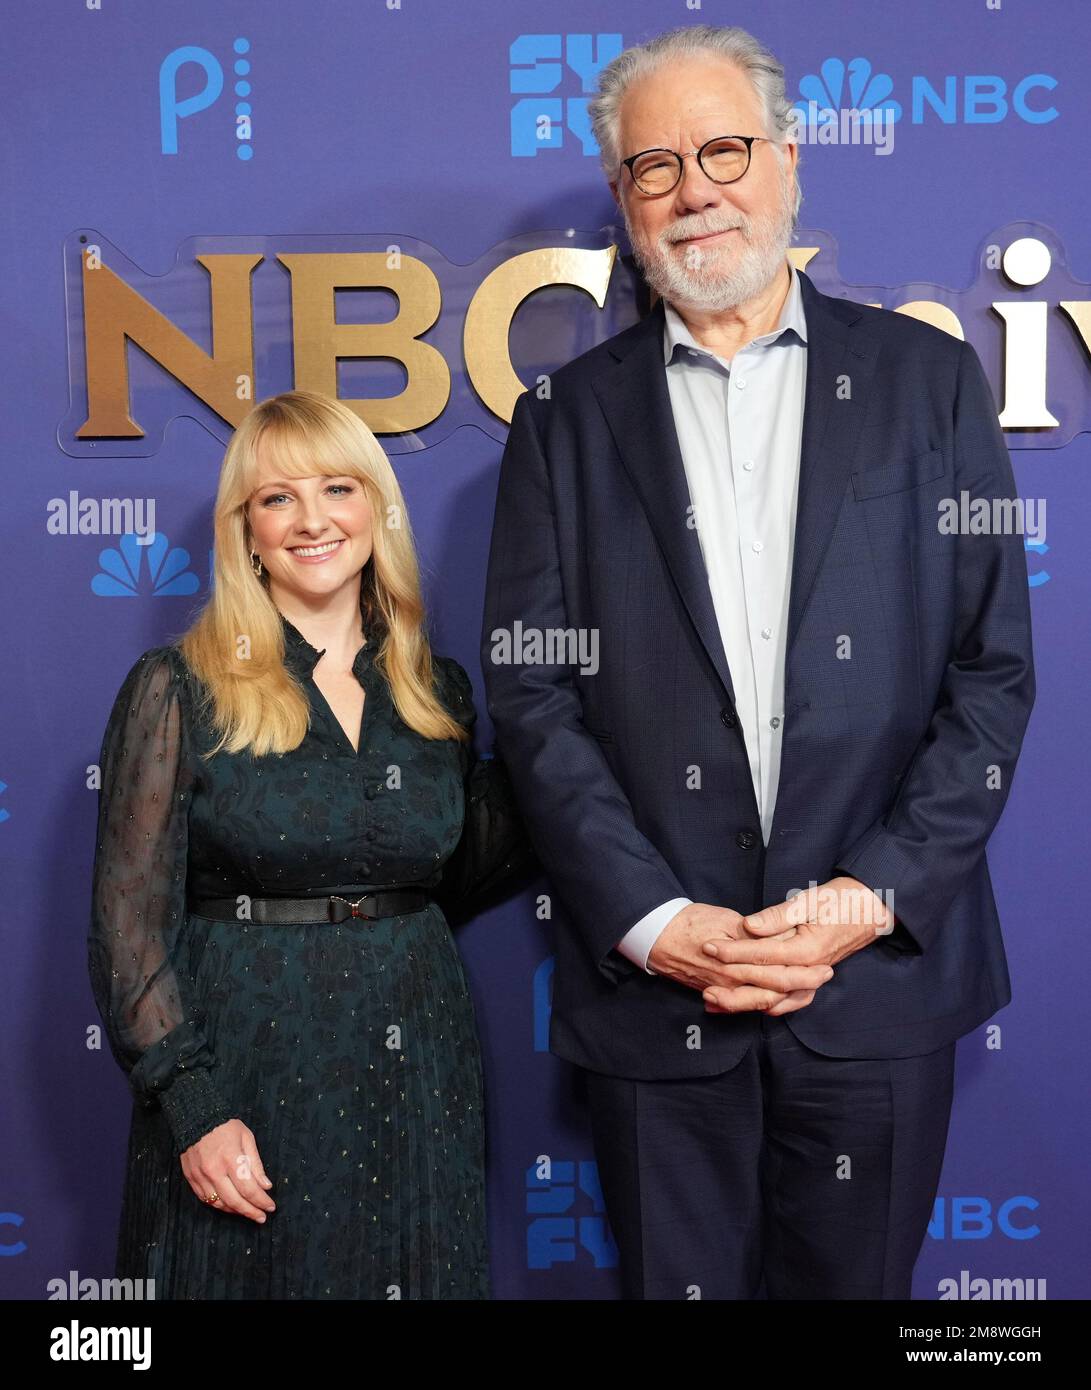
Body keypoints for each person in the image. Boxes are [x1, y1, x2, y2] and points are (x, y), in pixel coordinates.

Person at [481, 24, 1035, 1300]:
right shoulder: (561, 425)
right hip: (657, 998)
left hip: (876, 987)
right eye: (653, 166)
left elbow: (991, 672)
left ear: (786, 164)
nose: (695, 189)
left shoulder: (932, 384)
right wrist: (660, 921)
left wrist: (862, 900)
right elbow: (531, 690)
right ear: (622, 205)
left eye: (723, 149)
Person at [88, 389, 531, 1300]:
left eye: (338, 488)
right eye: (277, 498)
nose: (312, 520)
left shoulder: (435, 690)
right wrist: (195, 1105)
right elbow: (129, 926)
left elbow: (462, 866)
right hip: (246, 1058)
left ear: (376, 509)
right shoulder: (179, 686)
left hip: (416, 1062)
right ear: (244, 531)